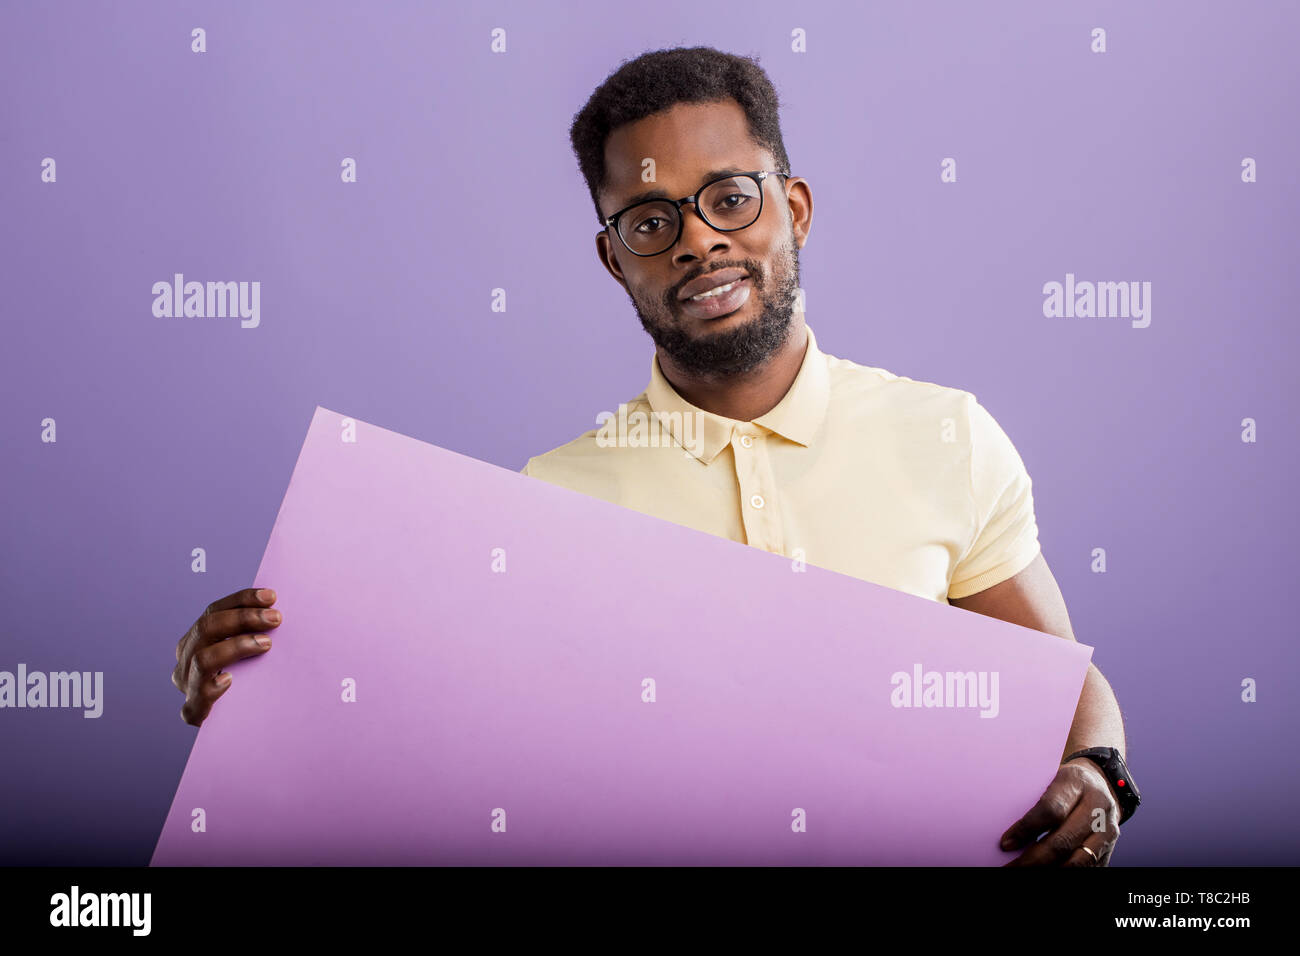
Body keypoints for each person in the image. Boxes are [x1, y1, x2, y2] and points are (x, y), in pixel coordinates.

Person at [173, 46, 1136, 866]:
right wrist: (253, 688)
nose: (699, 242)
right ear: (615, 257)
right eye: (651, 220)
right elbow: (430, 752)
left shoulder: (946, 436)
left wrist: (1098, 774)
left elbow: (1064, 684)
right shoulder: (548, 503)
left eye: (730, 197)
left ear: (793, 207)